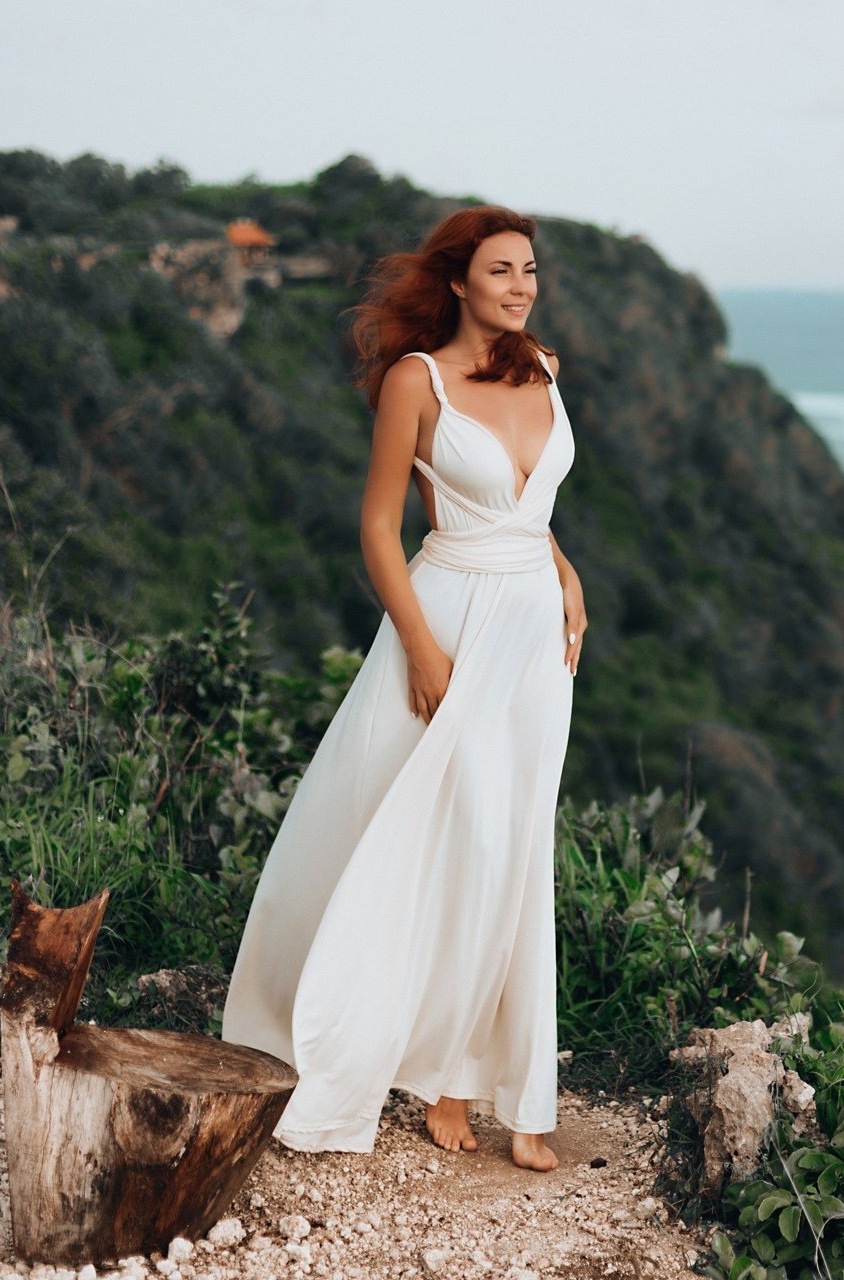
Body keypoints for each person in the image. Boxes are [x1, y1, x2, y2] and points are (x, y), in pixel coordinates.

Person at [220, 205, 584, 1173]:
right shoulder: (415, 380)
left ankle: (493, 1083)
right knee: (444, 834)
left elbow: (528, 507)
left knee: (513, 847)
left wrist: (566, 572)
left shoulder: (546, 370)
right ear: (458, 280)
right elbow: (380, 527)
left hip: (536, 641)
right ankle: (417, 1059)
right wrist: (420, 645)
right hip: (449, 622)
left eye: (530, 270)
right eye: (501, 270)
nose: (521, 286)